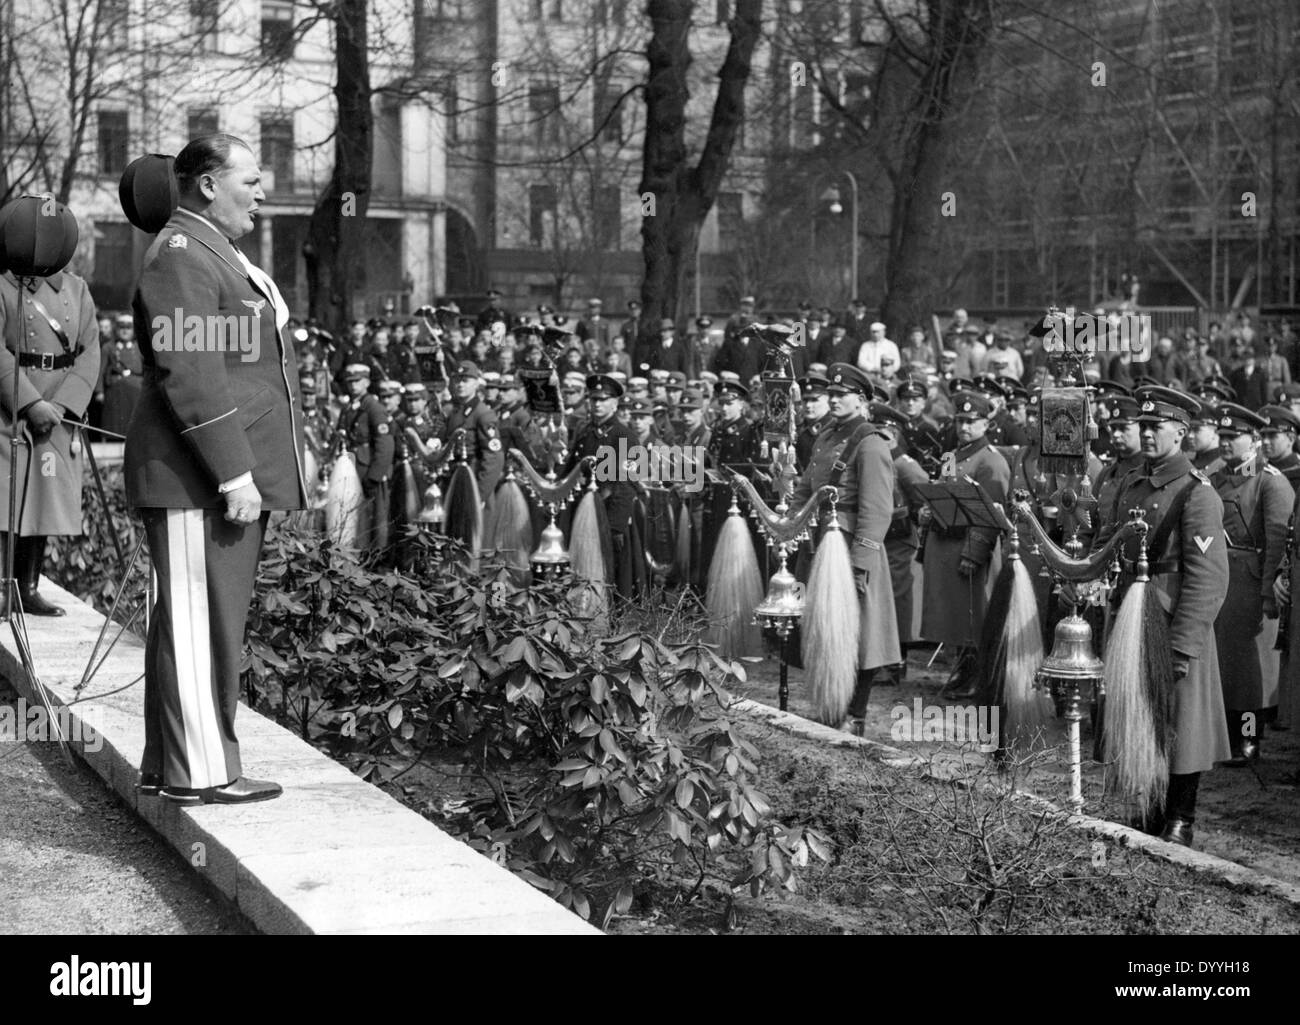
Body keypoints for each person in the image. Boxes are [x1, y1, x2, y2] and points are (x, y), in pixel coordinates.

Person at [126, 133, 305, 805]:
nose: (261, 194)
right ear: (207, 185)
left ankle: (172, 765)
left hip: (207, 472)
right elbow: (193, 374)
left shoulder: (212, 249)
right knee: (200, 622)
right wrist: (234, 474)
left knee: (202, 619)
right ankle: (203, 774)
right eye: (250, 181)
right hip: (194, 475)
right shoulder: (182, 253)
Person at [1092, 385, 1231, 846]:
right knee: (1142, 714)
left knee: (1182, 723)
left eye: (1157, 427)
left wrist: (1183, 643)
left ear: (1181, 433)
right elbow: (1109, 544)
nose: (1148, 434)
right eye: (1144, 426)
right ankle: (1150, 809)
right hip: (1132, 614)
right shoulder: (1131, 483)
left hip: (1172, 618)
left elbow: (1208, 578)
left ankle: (1180, 818)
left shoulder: (1197, 493)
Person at [789, 364, 899, 733]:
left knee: (861, 633)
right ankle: (829, 706)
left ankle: (855, 714)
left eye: (841, 395)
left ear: (862, 399)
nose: (833, 400)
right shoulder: (825, 436)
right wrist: (790, 525)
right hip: (820, 543)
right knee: (824, 626)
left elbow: (877, 509)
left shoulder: (871, 442)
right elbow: (806, 488)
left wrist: (860, 564)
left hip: (853, 547)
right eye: (830, 394)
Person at [0, 257, 102, 617]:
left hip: (59, 409)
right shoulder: (3, 285)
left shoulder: (77, 288)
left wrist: (62, 405)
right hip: (11, 405)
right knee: (5, 496)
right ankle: (2, 589)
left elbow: (90, 351)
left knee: (43, 496)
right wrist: (30, 403)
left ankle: (27, 588)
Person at [1208, 403, 1292, 766]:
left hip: (1250, 585)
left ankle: (1248, 738)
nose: (1225, 442)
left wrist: (1268, 594)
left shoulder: (1270, 481)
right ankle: (1226, 735)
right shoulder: (1214, 479)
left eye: (1234, 436)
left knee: (1247, 673)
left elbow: (1278, 542)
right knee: (1223, 666)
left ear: (1254, 439)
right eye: (1222, 436)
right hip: (1218, 581)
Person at [919, 390, 1011, 700]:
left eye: (972, 421)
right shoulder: (951, 456)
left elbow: (992, 514)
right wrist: (928, 512)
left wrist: (975, 552)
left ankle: (978, 676)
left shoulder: (991, 462)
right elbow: (941, 491)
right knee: (955, 618)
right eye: (960, 421)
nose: (964, 427)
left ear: (987, 424)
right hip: (945, 544)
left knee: (974, 617)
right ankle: (963, 670)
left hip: (968, 548)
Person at [96, 312, 143, 436]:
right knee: (115, 423)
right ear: (116, 329)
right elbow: (100, 370)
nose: (125, 331)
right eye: (121, 327)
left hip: (136, 390)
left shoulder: (140, 348)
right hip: (116, 390)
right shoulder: (108, 347)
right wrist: (99, 391)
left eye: (129, 328)